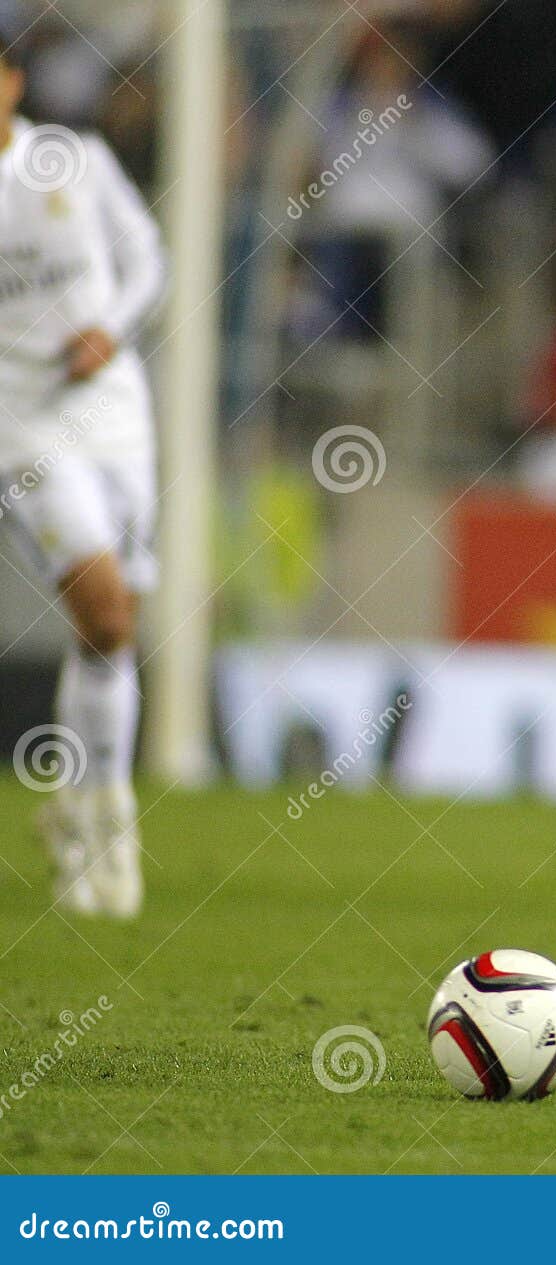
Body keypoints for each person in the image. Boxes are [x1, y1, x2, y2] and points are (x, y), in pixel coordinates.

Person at [0, 47, 164, 918]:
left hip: (114, 413)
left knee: (113, 626)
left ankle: (78, 806)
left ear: (12, 81)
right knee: (103, 607)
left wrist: (107, 327)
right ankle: (113, 816)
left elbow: (146, 262)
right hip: (21, 426)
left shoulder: (73, 161)